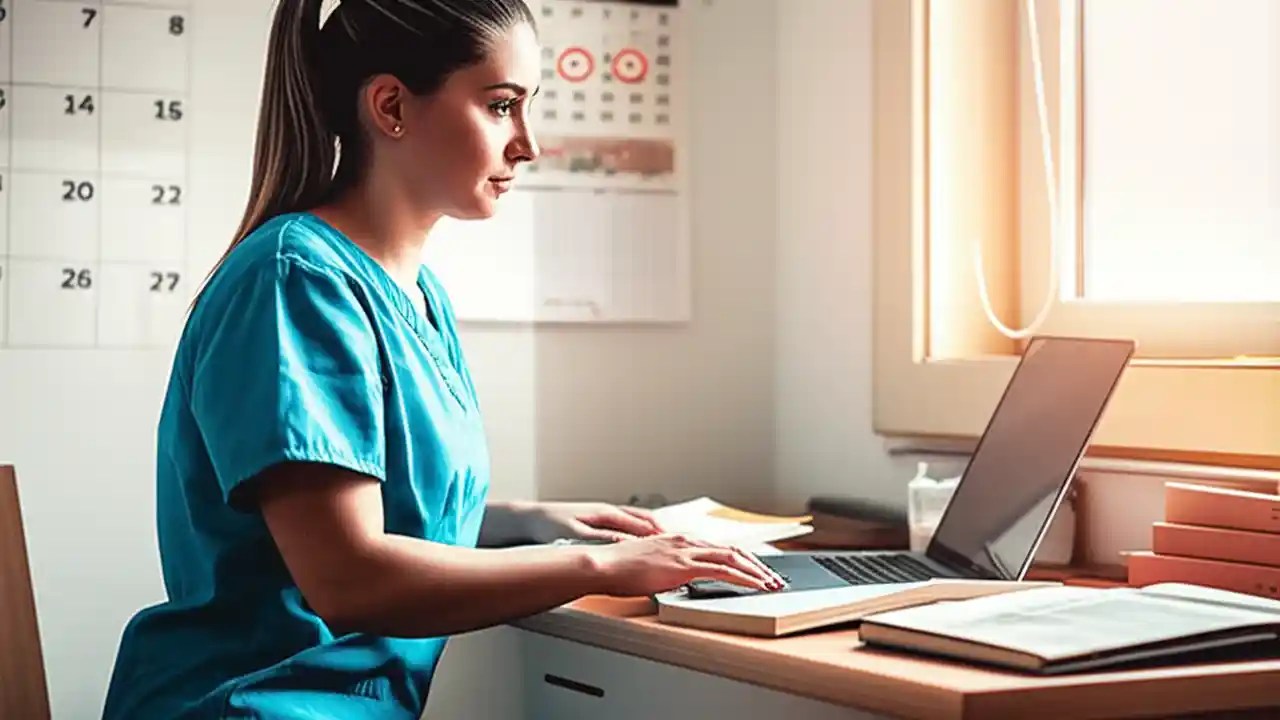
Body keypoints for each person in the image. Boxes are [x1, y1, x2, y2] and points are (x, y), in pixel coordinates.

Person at [101, 1, 784, 718]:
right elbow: (350, 577)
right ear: (391, 106)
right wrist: (597, 564)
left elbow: (374, 509)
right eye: (501, 106)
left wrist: (529, 521)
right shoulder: (294, 280)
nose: (528, 145)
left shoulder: (417, 293)